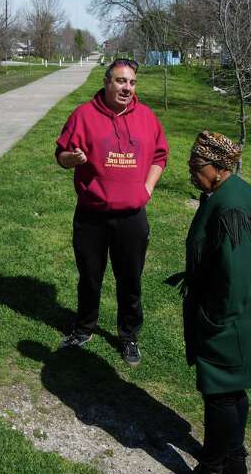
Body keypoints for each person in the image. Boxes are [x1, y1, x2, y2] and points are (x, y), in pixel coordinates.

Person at [159, 131, 251, 474]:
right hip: (234, 311)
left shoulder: (232, 206)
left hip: (233, 315)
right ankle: (234, 457)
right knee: (232, 391)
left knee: (219, 395)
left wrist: (215, 318)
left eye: (196, 167)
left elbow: (239, 272)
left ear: (218, 168)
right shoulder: (227, 193)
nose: (191, 173)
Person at [55, 58, 168, 365]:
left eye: (131, 82)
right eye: (120, 81)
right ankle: (84, 328)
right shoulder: (84, 115)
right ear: (106, 82)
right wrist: (72, 159)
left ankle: (129, 336)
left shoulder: (146, 117)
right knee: (90, 277)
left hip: (131, 216)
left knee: (130, 279)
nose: (126, 88)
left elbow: (160, 156)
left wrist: (147, 189)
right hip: (92, 213)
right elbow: (61, 155)